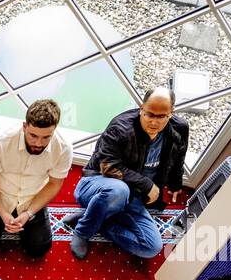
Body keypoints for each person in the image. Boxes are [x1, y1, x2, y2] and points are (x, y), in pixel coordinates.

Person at [65, 86, 187, 261]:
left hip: (135, 197)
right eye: (149, 114)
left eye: (162, 116)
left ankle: (95, 217)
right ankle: (83, 231)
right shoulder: (121, 127)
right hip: (99, 186)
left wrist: (175, 182)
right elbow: (107, 166)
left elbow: (179, 154)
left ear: (171, 112)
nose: (154, 122)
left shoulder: (179, 128)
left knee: (151, 247)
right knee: (118, 190)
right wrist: (146, 184)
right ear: (141, 108)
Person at [0, 98, 71, 258]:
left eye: (46, 137)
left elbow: (54, 184)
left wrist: (28, 213)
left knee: (39, 249)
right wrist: (3, 213)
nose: (38, 143)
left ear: (54, 130)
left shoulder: (64, 148)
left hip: (31, 199)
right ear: (24, 127)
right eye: (33, 135)